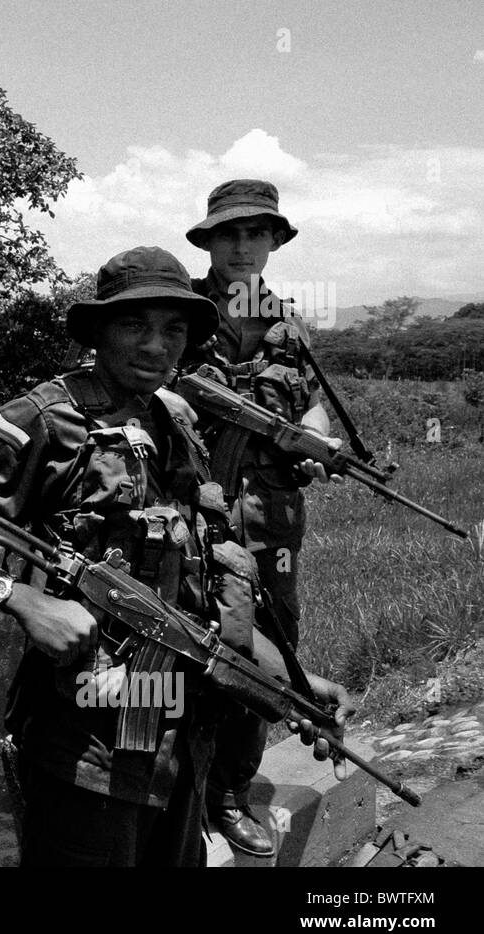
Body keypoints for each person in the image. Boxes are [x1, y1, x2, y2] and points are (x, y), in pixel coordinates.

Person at [0, 246, 352, 866]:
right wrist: (21, 598)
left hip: (183, 743)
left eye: (174, 328)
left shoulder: (179, 424)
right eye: (135, 324)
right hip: (87, 747)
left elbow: (202, 590)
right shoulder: (47, 419)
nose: (157, 345)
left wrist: (295, 686)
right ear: (100, 331)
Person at [183, 179, 341, 856]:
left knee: (269, 655)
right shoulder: (179, 312)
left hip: (272, 521)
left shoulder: (286, 322)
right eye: (230, 234)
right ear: (210, 241)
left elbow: (310, 404)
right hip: (192, 512)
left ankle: (231, 791)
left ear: (276, 242)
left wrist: (317, 445)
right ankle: (178, 790)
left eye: (257, 234)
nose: (244, 247)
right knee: (189, 648)